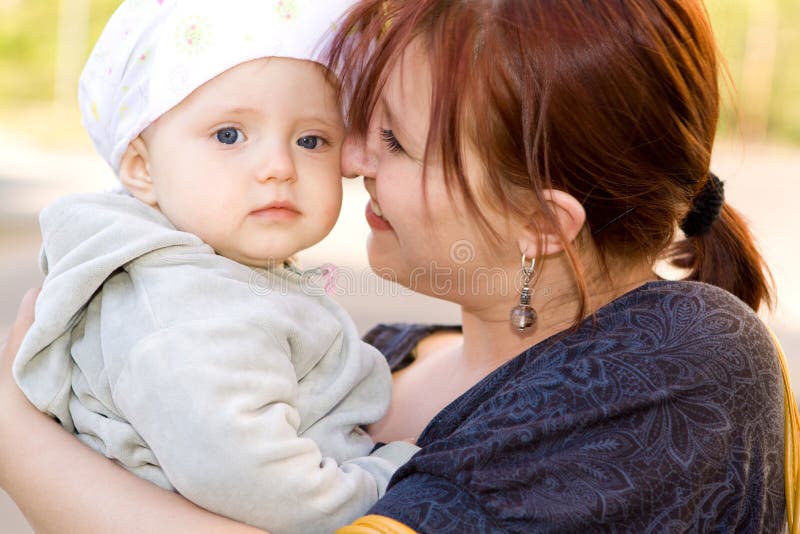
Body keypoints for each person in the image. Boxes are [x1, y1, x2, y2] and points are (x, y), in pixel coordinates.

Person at [0, 0, 790, 532]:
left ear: (541, 222)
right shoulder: (383, 351)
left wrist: (14, 437)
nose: (348, 161)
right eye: (359, 125)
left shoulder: (681, 359)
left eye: (396, 143)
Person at [6, 1, 419, 533]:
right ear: (141, 168)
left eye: (310, 140)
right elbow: (266, 488)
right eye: (229, 135)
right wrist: (394, 477)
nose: (278, 168)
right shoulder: (183, 312)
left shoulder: (221, 277)